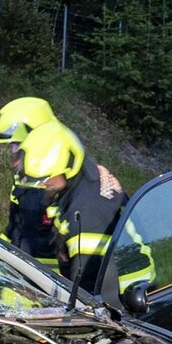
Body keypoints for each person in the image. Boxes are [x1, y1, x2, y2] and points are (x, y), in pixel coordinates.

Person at [18, 120, 154, 296]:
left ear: (68, 166)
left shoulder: (87, 213)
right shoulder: (85, 177)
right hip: (117, 281)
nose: (43, 184)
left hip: (125, 298)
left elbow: (85, 291)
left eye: (47, 178)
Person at [0, 96, 62, 270]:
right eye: (12, 145)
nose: (13, 152)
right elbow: (14, 227)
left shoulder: (65, 179)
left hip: (52, 285)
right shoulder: (24, 178)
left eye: (17, 144)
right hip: (20, 274)